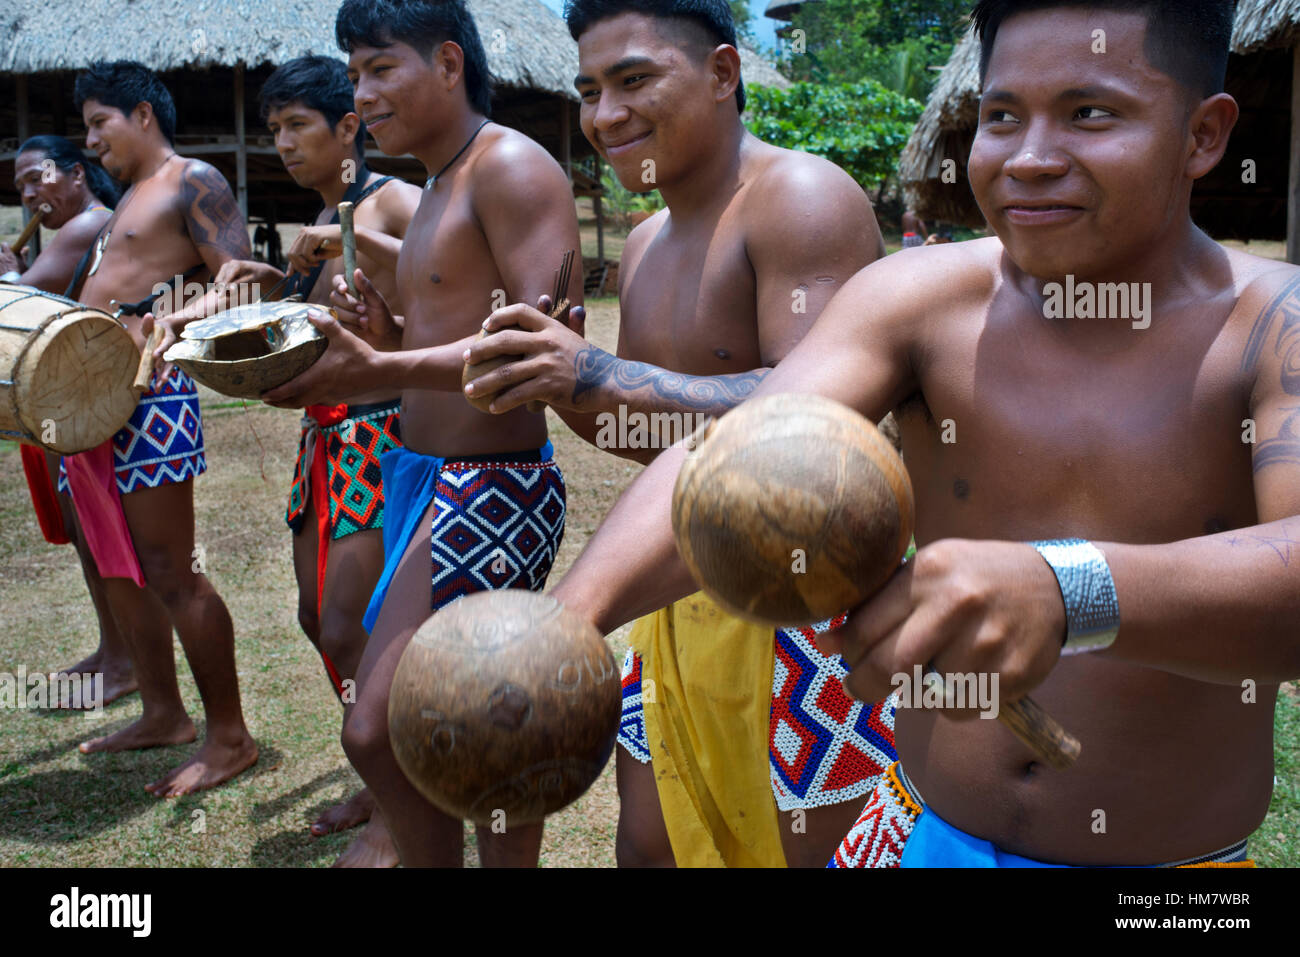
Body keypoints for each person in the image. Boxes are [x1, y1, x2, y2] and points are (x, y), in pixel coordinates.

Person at [548, 0, 1300, 867]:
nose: (1030, 158)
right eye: (1002, 116)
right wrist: (571, 619)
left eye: (1090, 113)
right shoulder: (919, 300)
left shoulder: (1270, 328)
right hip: (921, 831)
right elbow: (740, 457)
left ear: (1204, 135)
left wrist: (1071, 589)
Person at [460, 0, 888, 867]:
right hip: (677, 583)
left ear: (725, 74)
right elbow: (647, 429)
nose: (605, 113)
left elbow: (821, 416)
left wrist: (594, 373)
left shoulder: (799, 197)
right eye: (589, 90)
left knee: (804, 854)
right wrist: (551, 380)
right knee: (651, 844)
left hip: (804, 591)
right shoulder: (649, 239)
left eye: (634, 79)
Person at [262, 0, 583, 867]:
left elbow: (541, 352)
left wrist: (372, 369)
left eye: (379, 69)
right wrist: (381, 343)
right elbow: (428, 342)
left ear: (448, 62)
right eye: (355, 74)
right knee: (450, 719)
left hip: (493, 482)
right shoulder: (439, 185)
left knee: (394, 726)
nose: (361, 95)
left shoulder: (510, 167)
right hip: (421, 473)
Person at [159, 55, 421, 858]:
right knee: (319, 619)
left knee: (356, 624)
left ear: (349, 127)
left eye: (297, 125)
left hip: (387, 439)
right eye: (273, 129)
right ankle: (382, 776)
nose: (282, 143)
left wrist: (360, 244)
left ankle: (401, 811)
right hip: (325, 442)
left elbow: (436, 305)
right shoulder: (320, 225)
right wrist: (273, 288)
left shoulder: (395, 204)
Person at [67, 60, 257, 796]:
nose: (89, 142)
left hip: (152, 394)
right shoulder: (125, 201)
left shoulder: (192, 179)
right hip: (92, 398)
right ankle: (162, 710)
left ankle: (230, 735)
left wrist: (176, 316)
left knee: (171, 567)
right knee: (115, 561)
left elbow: (238, 274)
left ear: (142, 113)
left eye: (98, 123)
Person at [1, 135, 137, 706]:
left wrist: (8, 273)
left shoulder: (89, 225)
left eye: (39, 177)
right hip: (70, 401)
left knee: (104, 536)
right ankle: (113, 651)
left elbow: (18, 300)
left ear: (77, 175)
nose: (31, 193)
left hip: (92, 398)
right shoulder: (68, 232)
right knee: (88, 536)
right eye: (21, 186)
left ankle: (125, 658)